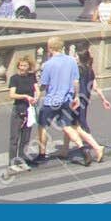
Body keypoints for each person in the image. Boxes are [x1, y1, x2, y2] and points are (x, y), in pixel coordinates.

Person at [35, 36, 85, 164]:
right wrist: (76, 96)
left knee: (43, 126)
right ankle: (82, 148)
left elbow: (44, 84)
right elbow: (76, 82)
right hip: (66, 99)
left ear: (50, 48)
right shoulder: (71, 61)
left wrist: (36, 95)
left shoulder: (49, 64)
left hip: (51, 100)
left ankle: (42, 153)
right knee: (67, 126)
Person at [72, 46, 110, 165]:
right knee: (74, 123)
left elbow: (76, 84)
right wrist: (103, 99)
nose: (74, 57)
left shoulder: (78, 69)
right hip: (85, 99)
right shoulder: (90, 70)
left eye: (76, 56)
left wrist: (75, 96)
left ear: (79, 57)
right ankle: (65, 148)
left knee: (79, 123)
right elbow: (96, 86)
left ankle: (95, 146)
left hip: (78, 99)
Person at [6, 54, 37, 172]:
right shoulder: (14, 78)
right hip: (18, 109)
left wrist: (36, 96)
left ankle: (22, 160)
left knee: (26, 137)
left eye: (25, 66)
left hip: (29, 109)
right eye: (20, 66)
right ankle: (12, 162)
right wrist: (25, 96)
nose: (22, 68)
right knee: (14, 137)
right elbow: (11, 94)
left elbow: (36, 89)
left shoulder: (32, 76)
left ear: (29, 66)